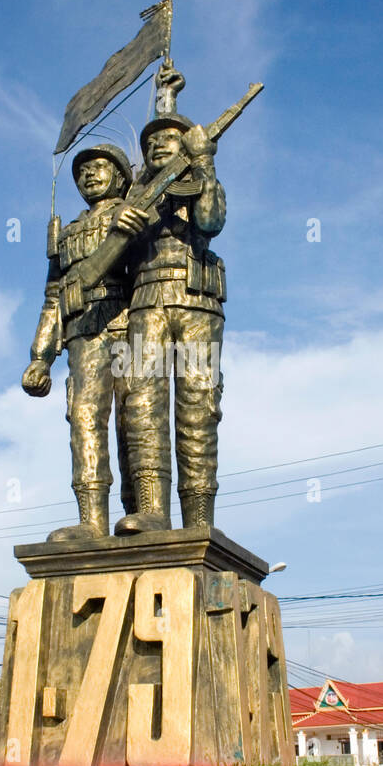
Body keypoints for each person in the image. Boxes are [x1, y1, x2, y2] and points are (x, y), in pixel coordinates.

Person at [112, 110, 227, 534]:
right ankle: (151, 511)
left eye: (170, 138)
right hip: (145, 302)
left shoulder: (201, 181)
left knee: (199, 407)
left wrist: (205, 162)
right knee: (142, 405)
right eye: (151, 141)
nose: (159, 144)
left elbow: (210, 221)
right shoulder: (131, 200)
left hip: (197, 300)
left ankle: (199, 522)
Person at [22, 144, 142, 540]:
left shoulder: (135, 209)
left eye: (100, 167)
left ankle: (140, 514)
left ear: (122, 176)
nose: (89, 175)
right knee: (85, 420)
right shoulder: (68, 233)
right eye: (82, 171)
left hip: (130, 324)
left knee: (135, 422)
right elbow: (53, 295)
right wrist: (41, 357)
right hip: (81, 332)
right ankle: (91, 521)